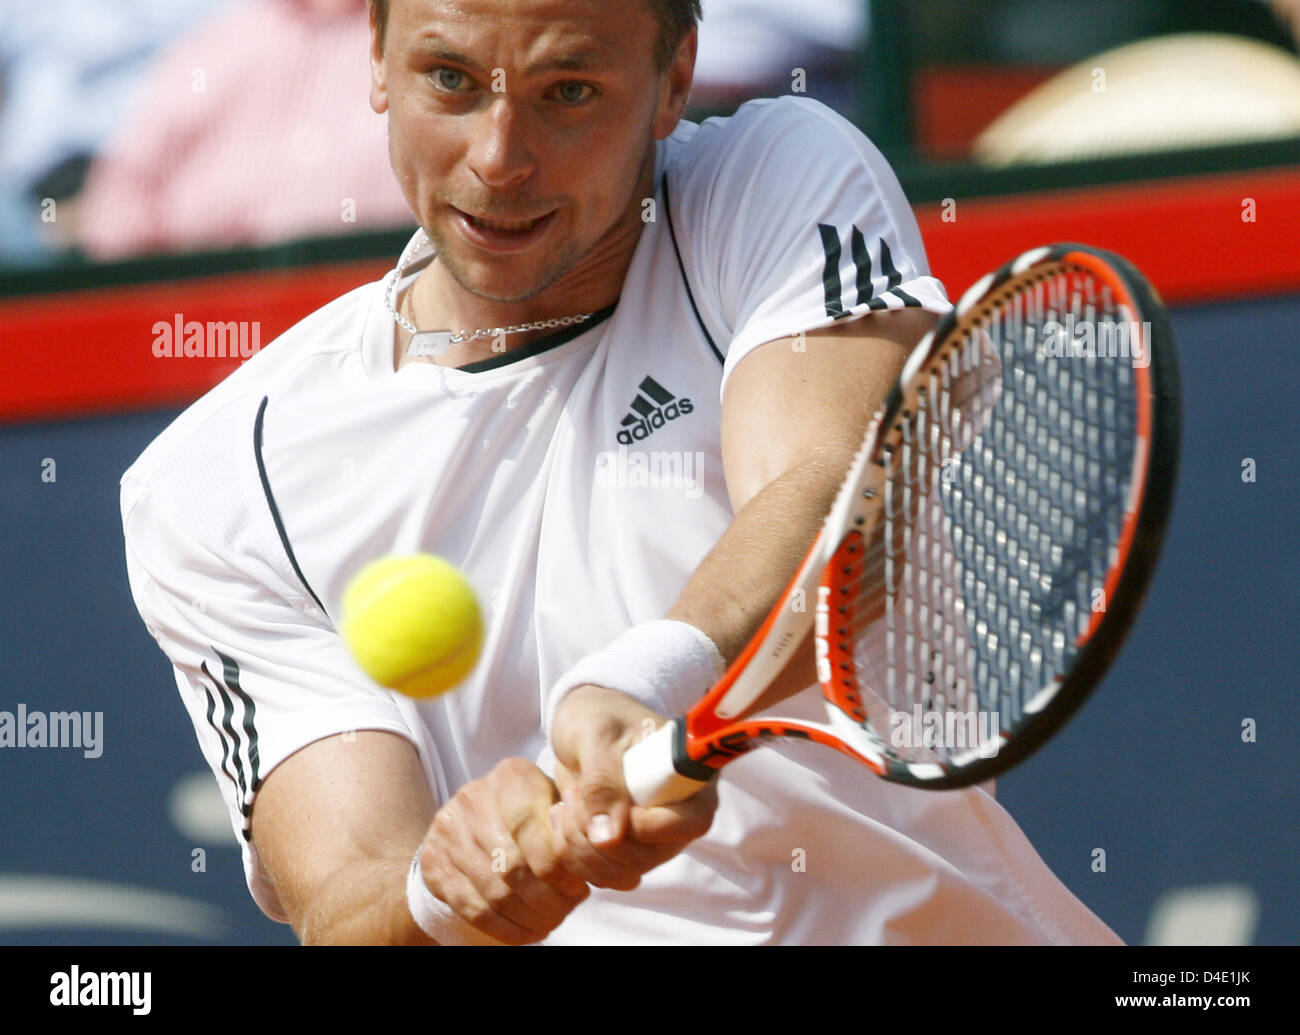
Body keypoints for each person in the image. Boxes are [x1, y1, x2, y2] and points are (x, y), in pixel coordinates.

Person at [121, 0, 1123, 946]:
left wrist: (639, 683)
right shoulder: (219, 484)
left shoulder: (771, 179)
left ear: (674, 79)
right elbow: (346, 901)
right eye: (450, 79)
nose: (498, 159)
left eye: (568, 91)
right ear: (376, 60)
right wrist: (447, 885)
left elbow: (840, 497)